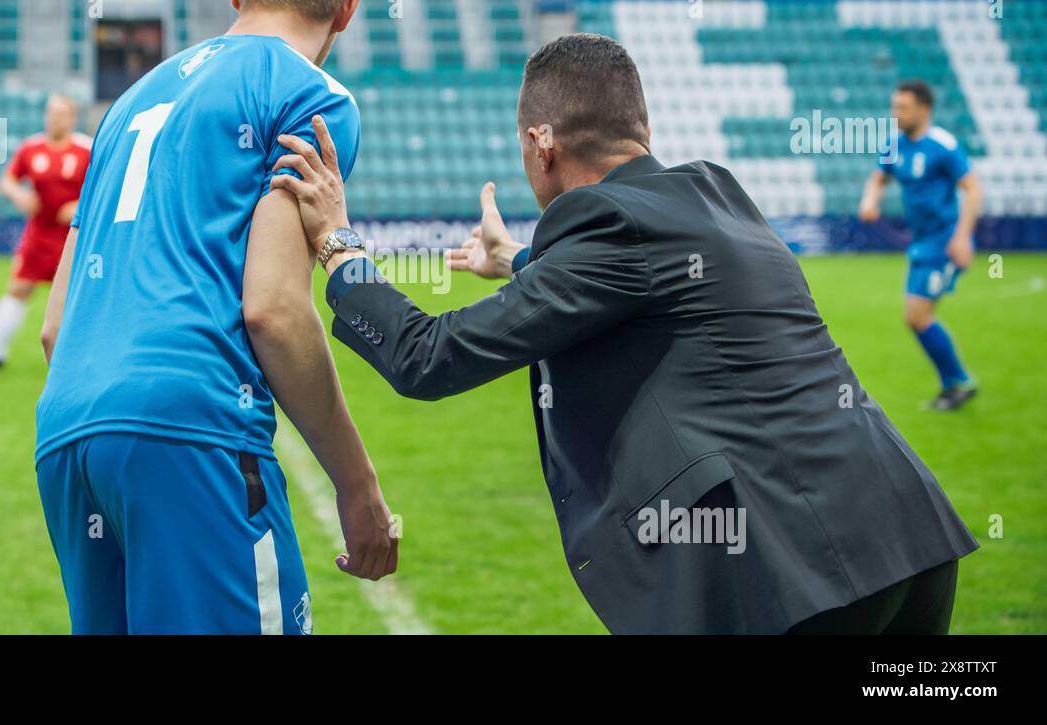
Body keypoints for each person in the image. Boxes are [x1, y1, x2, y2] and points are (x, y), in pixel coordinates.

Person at [272, 33, 978, 634]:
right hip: (907, 536)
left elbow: (426, 355)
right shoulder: (715, 190)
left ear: (540, 142)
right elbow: (645, 281)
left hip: (795, 576)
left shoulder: (609, 225)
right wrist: (520, 260)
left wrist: (339, 245)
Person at [35, 0, 395, 635]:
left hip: (68, 428)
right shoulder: (310, 97)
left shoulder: (127, 105)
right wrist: (358, 487)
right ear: (348, 9)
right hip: (189, 430)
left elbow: (53, 326)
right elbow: (273, 307)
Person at [858, 80, 983, 410]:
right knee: (916, 317)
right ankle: (955, 382)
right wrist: (871, 200)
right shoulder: (895, 144)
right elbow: (878, 177)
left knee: (917, 315)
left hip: (944, 242)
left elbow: (973, 188)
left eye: (903, 107)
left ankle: (957, 382)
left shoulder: (943, 145)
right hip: (921, 243)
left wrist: (961, 237)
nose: (895, 113)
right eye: (894, 106)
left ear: (923, 109)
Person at [0, 95, 91, 373]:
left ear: (72, 118)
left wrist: (79, 205)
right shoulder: (31, 148)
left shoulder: (86, 149)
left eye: (61, 114)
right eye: (51, 113)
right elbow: (7, 180)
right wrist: (18, 194)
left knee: (75, 298)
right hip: (38, 234)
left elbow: (105, 185)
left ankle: (77, 360)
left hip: (72, 238)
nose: (54, 118)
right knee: (18, 288)